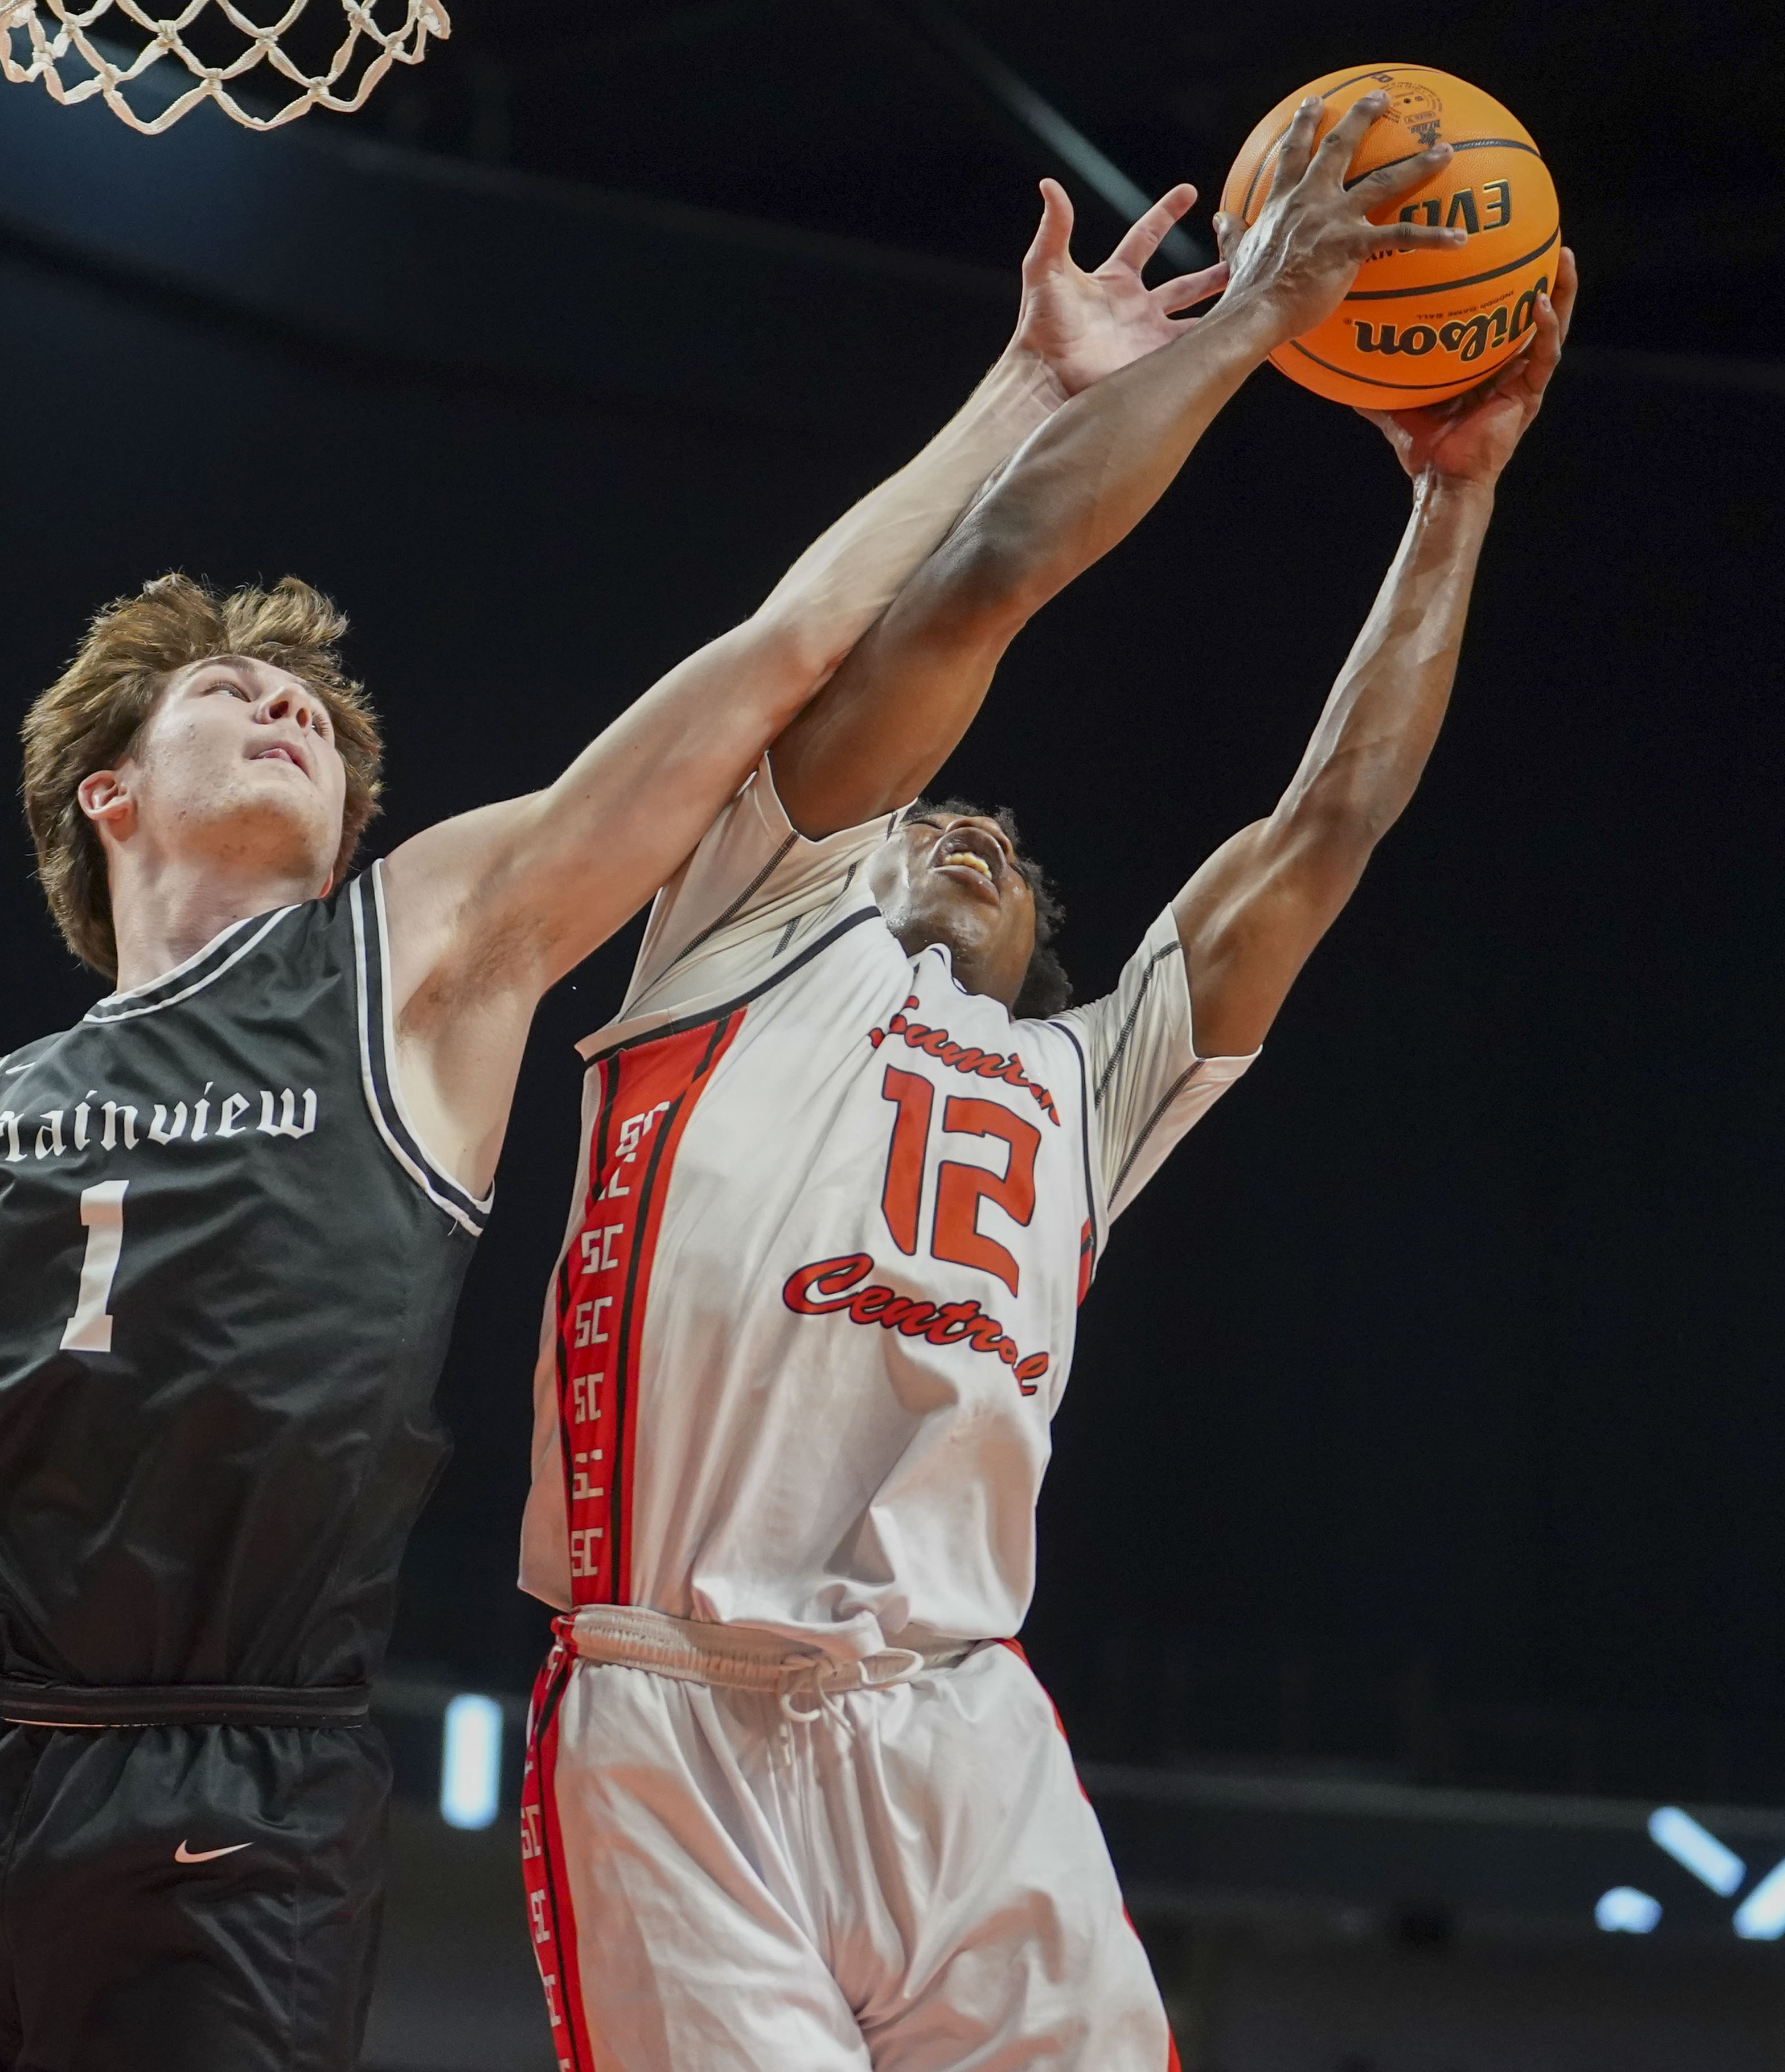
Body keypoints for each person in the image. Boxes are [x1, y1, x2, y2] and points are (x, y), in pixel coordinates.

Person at [0, 169, 1249, 2072]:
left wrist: (1017, 394)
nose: (283, 705)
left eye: (314, 718)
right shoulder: (2, 1117)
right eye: (226, 695)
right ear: (106, 792)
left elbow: (775, 661)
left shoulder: (421, 956)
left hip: (233, 1783)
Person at [514, 96, 1568, 2071]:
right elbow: (990, 572)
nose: (970, 828)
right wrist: (1249, 328)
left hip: (958, 1722)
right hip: (677, 1707)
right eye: (941, 817)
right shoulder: (751, 923)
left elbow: (1327, 823)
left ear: (1045, 949)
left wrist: (1452, 499)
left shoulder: (1082, 1086)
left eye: (1010, 851)